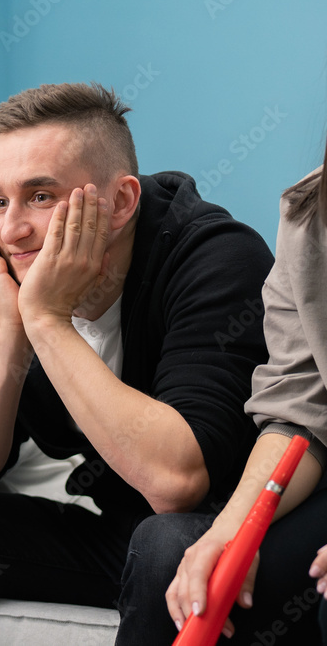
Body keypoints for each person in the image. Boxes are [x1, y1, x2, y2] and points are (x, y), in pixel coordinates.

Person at [0, 82, 273, 619]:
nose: (11, 228)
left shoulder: (216, 257)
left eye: (41, 196)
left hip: (227, 534)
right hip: (119, 534)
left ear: (121, 201)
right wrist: (14, 330)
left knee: (166, 542)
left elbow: (178, 483)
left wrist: (48, 322)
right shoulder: (19, 264)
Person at [118, 150, 327, 643]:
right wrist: (231, 532)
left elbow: (176, 478)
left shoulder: (214, 251)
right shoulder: (310, 211)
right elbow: (300, 407)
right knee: (185, 560)